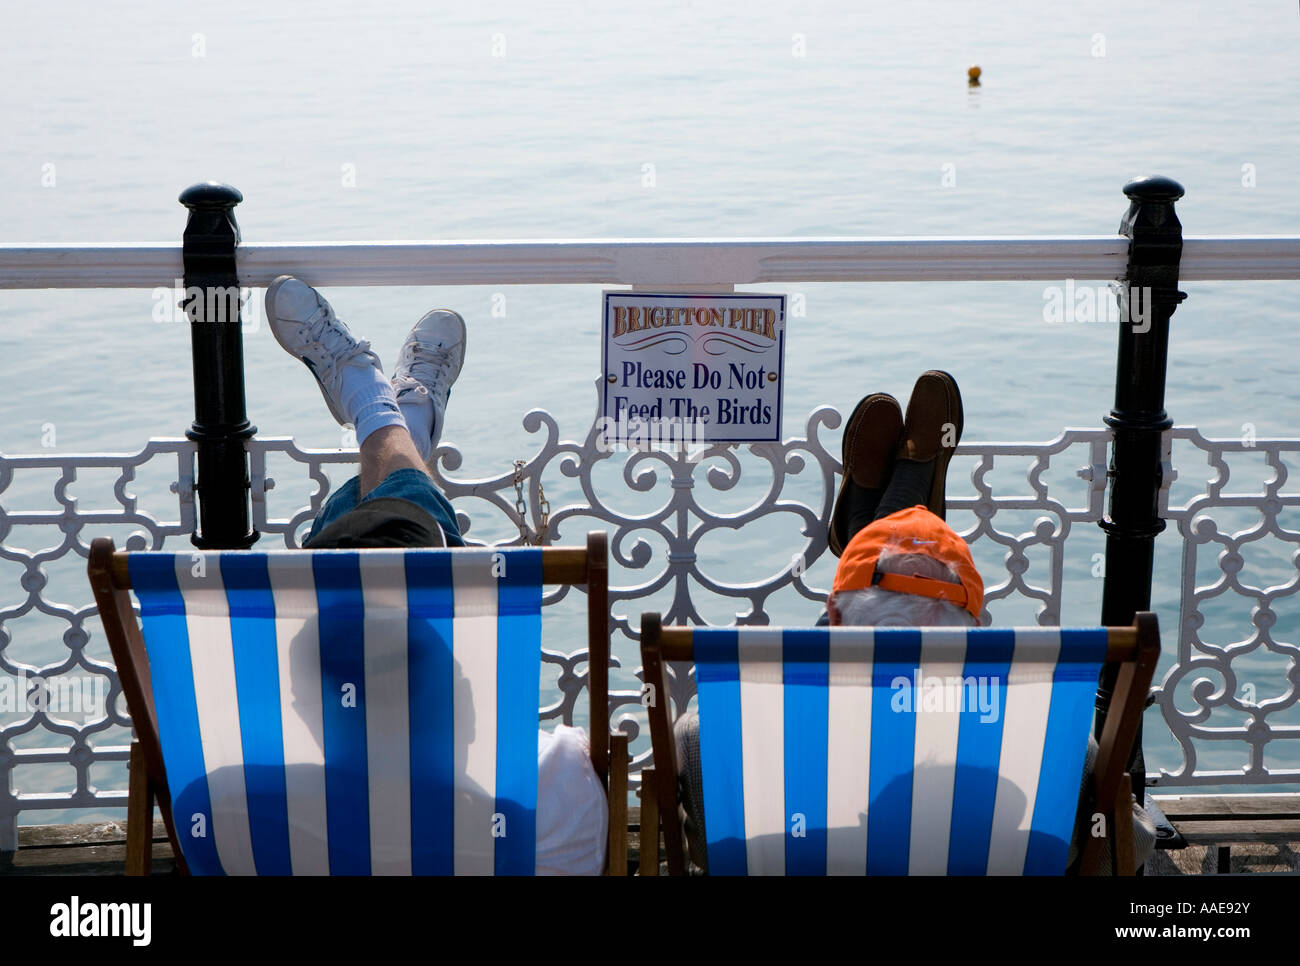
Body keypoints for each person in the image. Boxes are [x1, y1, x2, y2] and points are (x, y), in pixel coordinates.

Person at [672, 372, 1156, 874]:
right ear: (978, 626)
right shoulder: (1052, 748)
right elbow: (1130, 847)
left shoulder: (720, 736)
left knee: (855, 630)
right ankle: (885, 525)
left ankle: (870, 531)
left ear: (829, 613)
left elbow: (708, 847)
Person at [264, 276, 607, 875]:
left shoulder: (242, 811)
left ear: (302, 703)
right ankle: (390, 410)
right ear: (471, 701)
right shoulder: (555, 795)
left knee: (400, 537)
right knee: (399, 533)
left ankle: (377, 401)